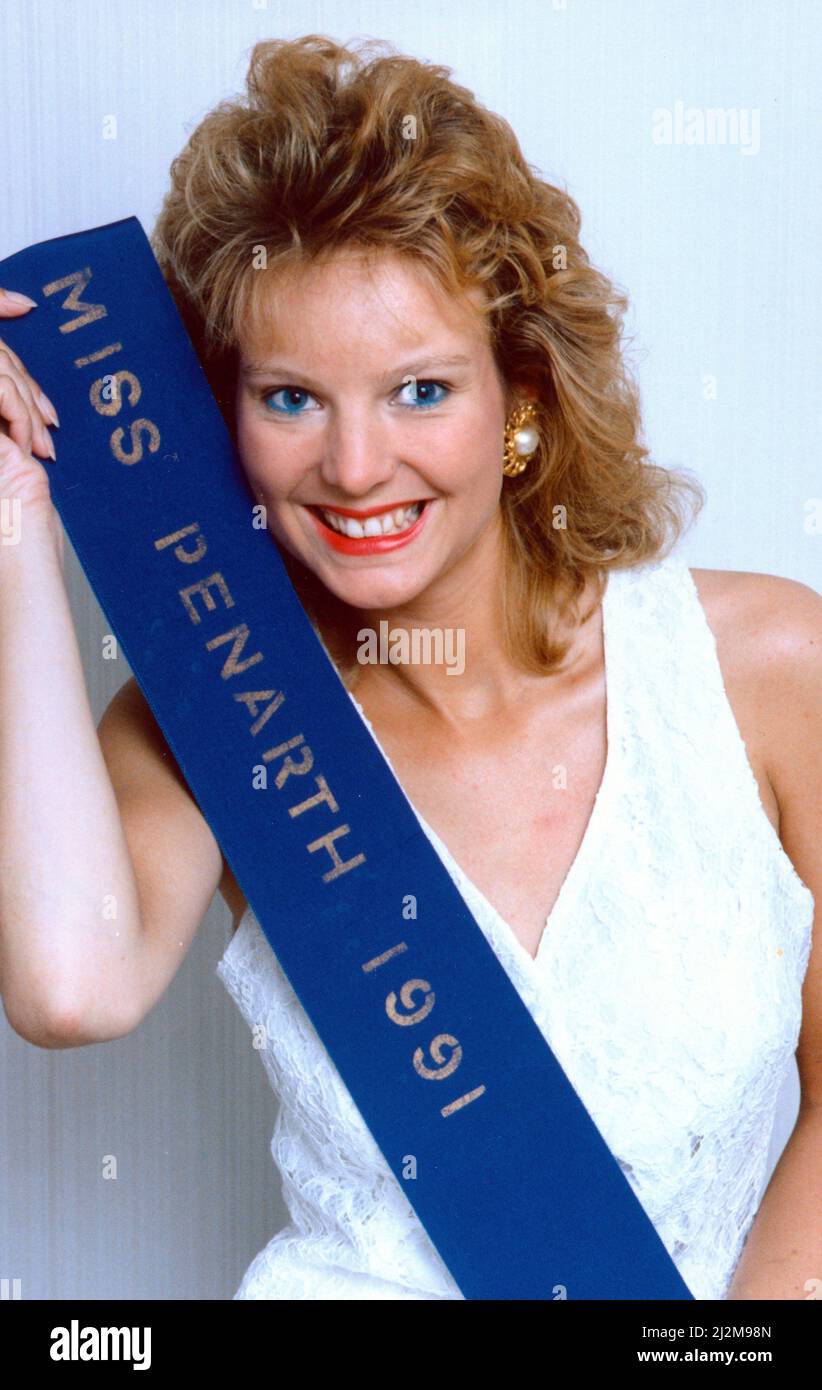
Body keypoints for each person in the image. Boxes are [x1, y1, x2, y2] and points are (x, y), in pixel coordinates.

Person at [0, 33, 819, 1302]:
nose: (355, 466)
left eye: (421, 390)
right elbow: (68, 989)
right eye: (290, 398)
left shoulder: (768, 665)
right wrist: (15, 523)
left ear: (520, 398)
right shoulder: (216, 721)